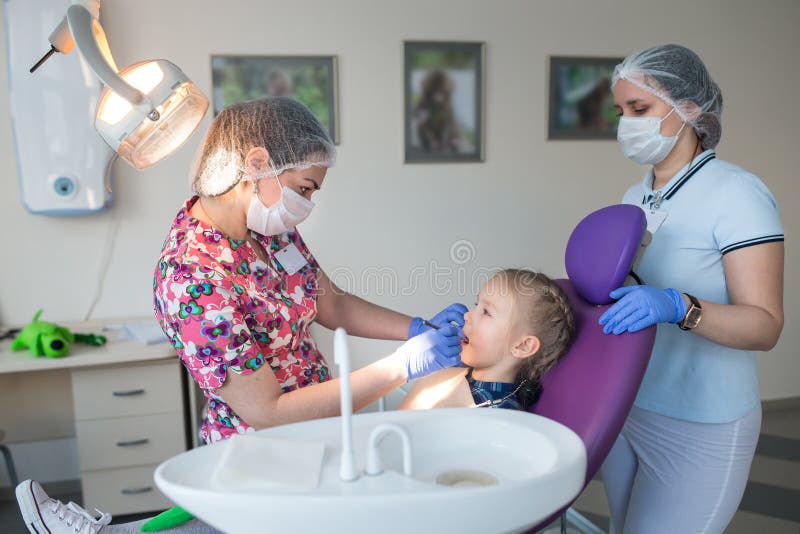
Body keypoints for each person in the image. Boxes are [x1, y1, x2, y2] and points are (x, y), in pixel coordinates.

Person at [15, 97, 468, 534]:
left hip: (316, 435)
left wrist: (416, 327)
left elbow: (332, 303)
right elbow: (268, 411)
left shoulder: (268, 232)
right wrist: (401, 365)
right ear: (255, 164)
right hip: (261, 458)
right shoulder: (192, 277)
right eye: (304, 189)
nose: (307, 207)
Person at [597, 44, 784, 534]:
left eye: (640, 109)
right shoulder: (633, 196)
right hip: (629, 402)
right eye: (621, 112)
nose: (626, 124)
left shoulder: (738, 194)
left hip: (703, 420)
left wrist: (680, 306)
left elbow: (765, 325)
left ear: (689, 109)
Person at [400, 269, 575, 411]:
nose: (467, 315)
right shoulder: (450, 374)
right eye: (477, 305)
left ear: (523, 345)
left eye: (486, 312)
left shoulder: (498, 419)